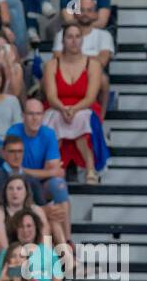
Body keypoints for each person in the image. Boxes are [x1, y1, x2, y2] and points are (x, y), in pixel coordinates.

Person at [42, 23, 102, 181]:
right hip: (57, 106)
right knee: (55, 118)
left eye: (77, 37)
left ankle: (90, 168)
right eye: (69, 37)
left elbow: (90, 97)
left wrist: (73, 110)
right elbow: (51, 96)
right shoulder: (51, 65)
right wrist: (63, 109)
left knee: (81, 117)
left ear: (82, 40)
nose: (74, 41)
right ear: (63, 41)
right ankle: (53, 167)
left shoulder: (94, 65)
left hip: (84, 106)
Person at [6, 99, 72, 242]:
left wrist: (26, 170)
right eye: (30, 114)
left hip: (42, 186)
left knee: (59, 185)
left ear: (43, 116)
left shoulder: (48, 134)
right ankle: (55, 249)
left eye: (38, 114)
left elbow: (56, 171)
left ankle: (68, 241)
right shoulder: (14, 132)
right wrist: (47, 172)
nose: (35, 118)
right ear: (23, 116)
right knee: (53, 217)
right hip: (19, 185)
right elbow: (14, 170)